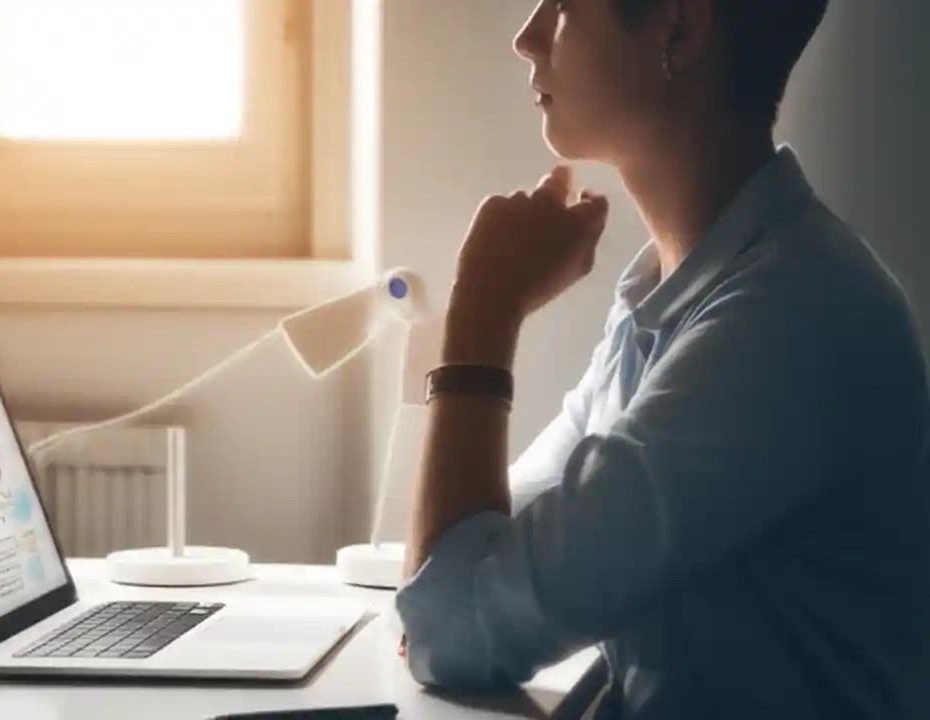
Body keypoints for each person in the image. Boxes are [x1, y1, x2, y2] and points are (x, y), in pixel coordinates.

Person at [394, 0, 930, 718]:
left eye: (562, 6)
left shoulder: (791, 319)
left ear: (680, 29)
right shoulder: (677, 296)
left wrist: (482, 315)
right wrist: (455, 595)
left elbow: (450, 629)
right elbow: (455, 581)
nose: (526, 39)